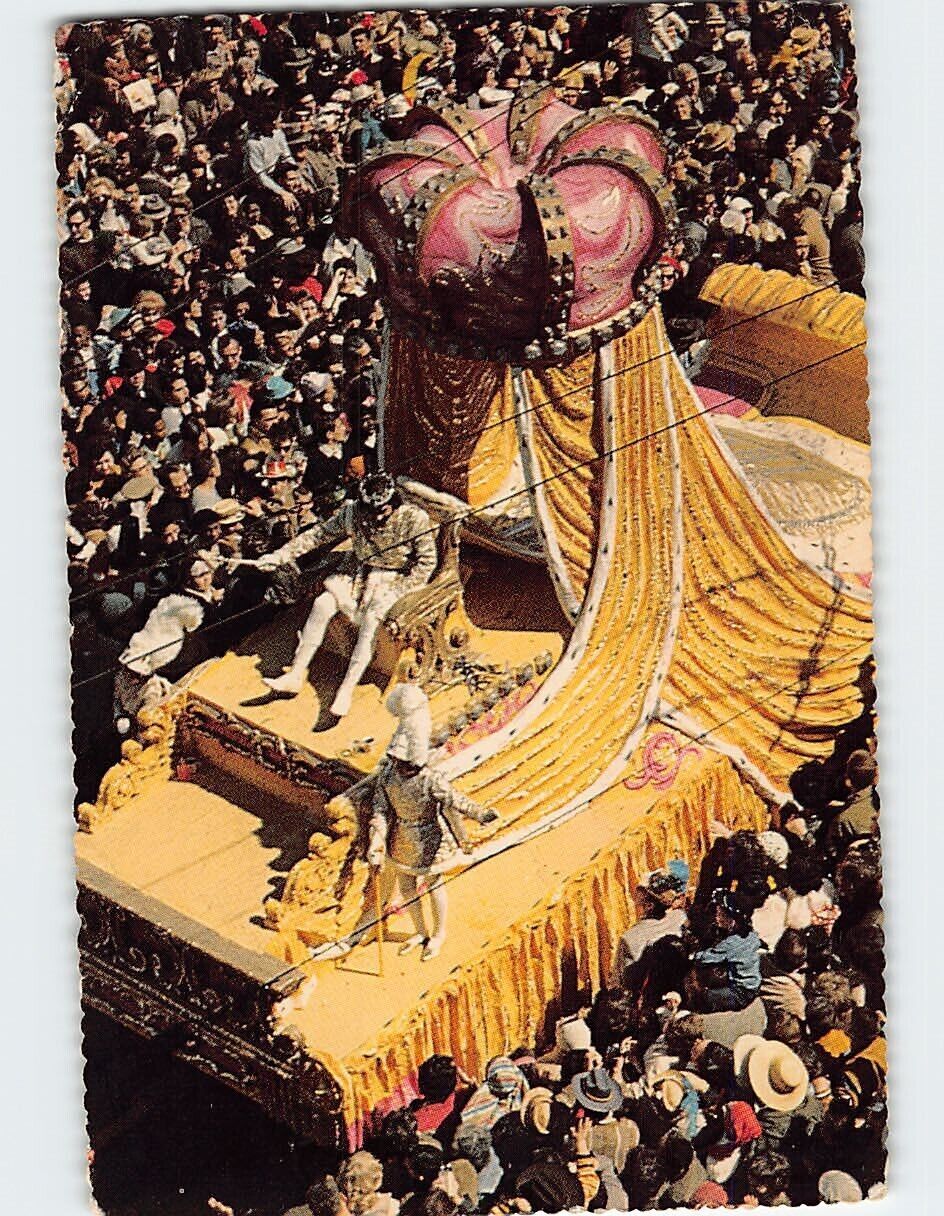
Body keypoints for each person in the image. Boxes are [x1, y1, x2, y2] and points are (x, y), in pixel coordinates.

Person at [252, 472, 437, 716]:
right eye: (370, 511)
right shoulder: (353, 513)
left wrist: (399, 590)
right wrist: (280, 557)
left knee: (372, 620)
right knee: (322, 604)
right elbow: (317, 535)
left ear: (393, 505)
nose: (375, 517)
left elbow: (427, 562)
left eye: (381, 511)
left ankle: (346, 690)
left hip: (396, 578)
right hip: (358, 573)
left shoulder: (415, 519)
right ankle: (296, 674)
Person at [366, 683, 498, 961]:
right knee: (406, 887)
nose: (399, 763)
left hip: (430, 837)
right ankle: (420, 931)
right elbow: (380, 809)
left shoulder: (429, 778)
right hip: (401, 837)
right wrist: (376, 843)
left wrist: (481, 813)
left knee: (434, 884)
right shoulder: (388, 776)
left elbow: (455, 799)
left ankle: (438, 934)